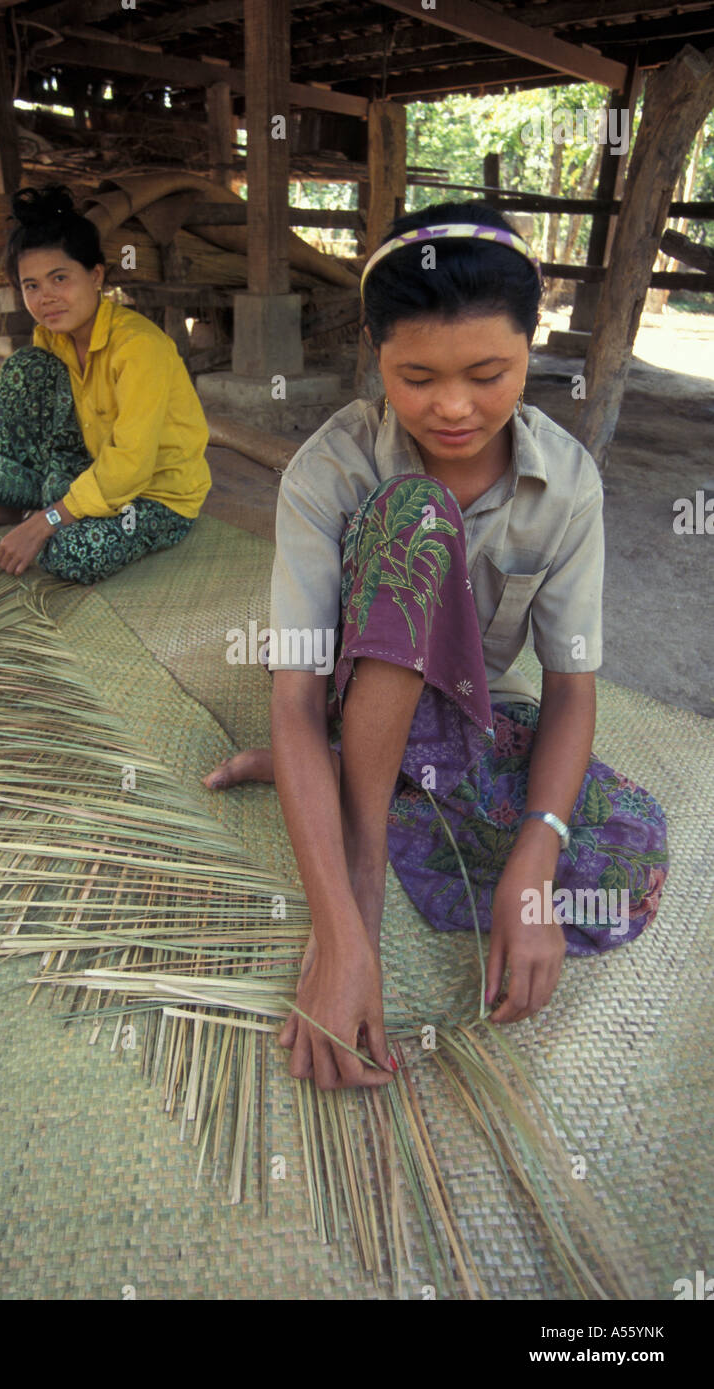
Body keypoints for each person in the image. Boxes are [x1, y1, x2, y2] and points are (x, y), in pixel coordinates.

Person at [204, 201, 669, 1092]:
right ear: (375, 359)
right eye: (415, 377)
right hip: (344, 702)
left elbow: (570, 688)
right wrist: (345, 930)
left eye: (488, 372)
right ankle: (366, 858)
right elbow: (295, 694)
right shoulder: (330, 469)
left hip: (463, 720)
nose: (453, 407)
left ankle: (338, 779)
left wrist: (534, 859)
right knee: (419, 519)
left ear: (530, 349)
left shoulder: (566, 484)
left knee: (625, 859)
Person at [0, 184, 211, 584]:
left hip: (155, 493)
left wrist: (47, 520)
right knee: (25, 369)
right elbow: (2, 421)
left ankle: (38, 513)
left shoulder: (139, 348)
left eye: (59, 278)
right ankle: (5, 504)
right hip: (95, 466)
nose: (46, 297)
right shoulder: (52, 338)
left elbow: (130, 466)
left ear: (96, 276)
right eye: (32, 286)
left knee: (68, 552)